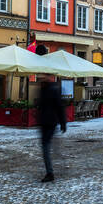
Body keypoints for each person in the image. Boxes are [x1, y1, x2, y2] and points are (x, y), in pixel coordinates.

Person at [35, 46, 66, 183]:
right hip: (44, 122)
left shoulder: (53, 89)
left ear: (49, 76)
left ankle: (50, 172)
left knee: (46, 147)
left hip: (50, 122)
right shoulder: (43, 88)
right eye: (40, 76)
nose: (41, 77)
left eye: (43, 76)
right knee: (46, 147)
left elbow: (59, 107)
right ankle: (52, 168)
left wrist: (63, 122)